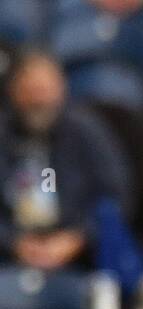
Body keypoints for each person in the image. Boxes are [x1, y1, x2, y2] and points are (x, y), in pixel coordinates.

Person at [0, 49, 133, 272]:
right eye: (31, 91)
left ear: (62, 88)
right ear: (13, 91)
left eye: (45, 90)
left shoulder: (88, 132)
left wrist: (76, 239)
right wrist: (14, 242)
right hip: (9, 255)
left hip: (83, 256)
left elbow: (116, 197)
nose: (39, 100)